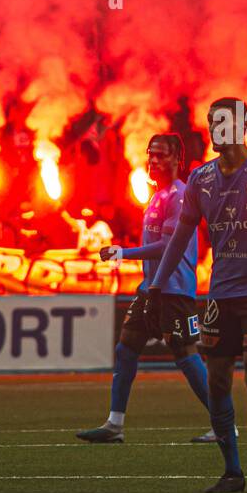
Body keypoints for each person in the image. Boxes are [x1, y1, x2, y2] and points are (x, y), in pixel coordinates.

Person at [146, 98, 247, 493]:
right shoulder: (200, 179)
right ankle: (232, 471)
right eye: (211, 122)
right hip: (221, 292)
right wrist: (154, 287)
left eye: (223, 121)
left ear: (243, 125)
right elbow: (180, 238)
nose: (216, 128)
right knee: (217, 380)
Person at [77, 134, 215, 445]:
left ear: (177, 158)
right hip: (149, 289)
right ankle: (115, 424)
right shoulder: (156, 196)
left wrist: (123, 253)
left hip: (174, 290)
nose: (153, 161)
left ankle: (223, 424)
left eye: (161, 155)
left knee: (186, 356)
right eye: (150, 154)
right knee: (126, 349)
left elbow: (168, 246)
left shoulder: (180, 197)